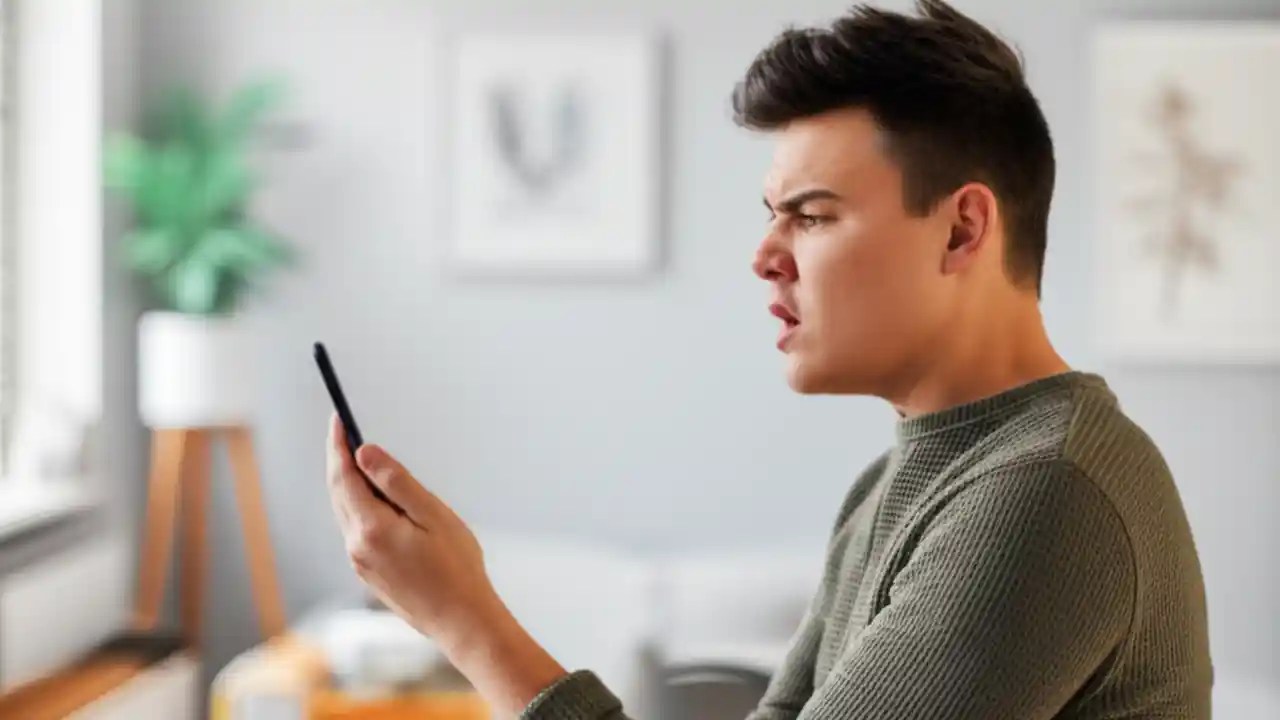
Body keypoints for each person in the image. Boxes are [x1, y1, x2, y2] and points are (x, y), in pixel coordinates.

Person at [323, 1, 1213, 717]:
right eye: (772, 214)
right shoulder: (893, 486)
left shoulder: (1048, 490)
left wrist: (465, 621)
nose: (764, 256)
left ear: (961, 229)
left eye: (812, 216)